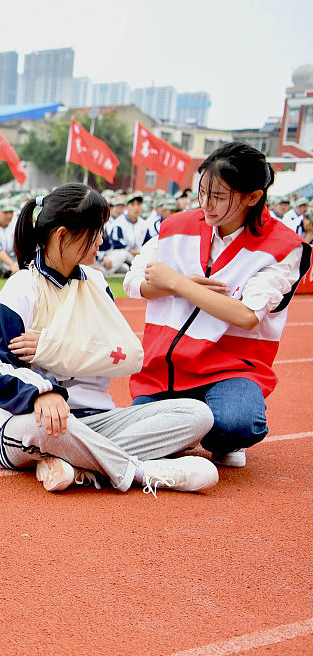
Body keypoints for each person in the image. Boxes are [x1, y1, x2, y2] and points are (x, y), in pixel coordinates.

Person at [0, 183, 219, 494]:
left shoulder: (97, 284)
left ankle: (80, 466)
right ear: (62, 235)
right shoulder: (21, 289)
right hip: (33, 420)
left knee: (197, 414)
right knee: (50, 428)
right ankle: (139, 472)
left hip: (97, 419)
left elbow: (128, 354)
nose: (102, 240)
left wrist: (51, 347)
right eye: (96, 231)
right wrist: (43, 392)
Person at [124, 142, 309, 469]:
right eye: (202, 192)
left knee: (237, 424)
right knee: (141, 435)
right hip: (167, 369)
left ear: (253, 197)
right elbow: (133, 282)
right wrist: (165, 283)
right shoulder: (176, 226)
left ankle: (216, 433)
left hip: (231, 368)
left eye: (218, 197)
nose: (206, 205)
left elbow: (248, 315)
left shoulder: (282, 247)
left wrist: (178, 283)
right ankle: (186, 426)